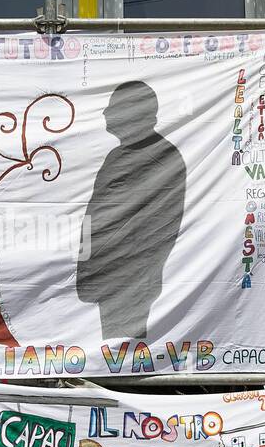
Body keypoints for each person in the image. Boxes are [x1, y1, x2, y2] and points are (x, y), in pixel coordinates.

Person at [77, 81, 187, 340]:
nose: (105, 113)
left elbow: (149, 226)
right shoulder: (121, 156)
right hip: (111, 272)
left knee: (123, 349)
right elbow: (98, 216)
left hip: (127, 275)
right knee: (114, 350)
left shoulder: (158, 158)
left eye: (112, 108)